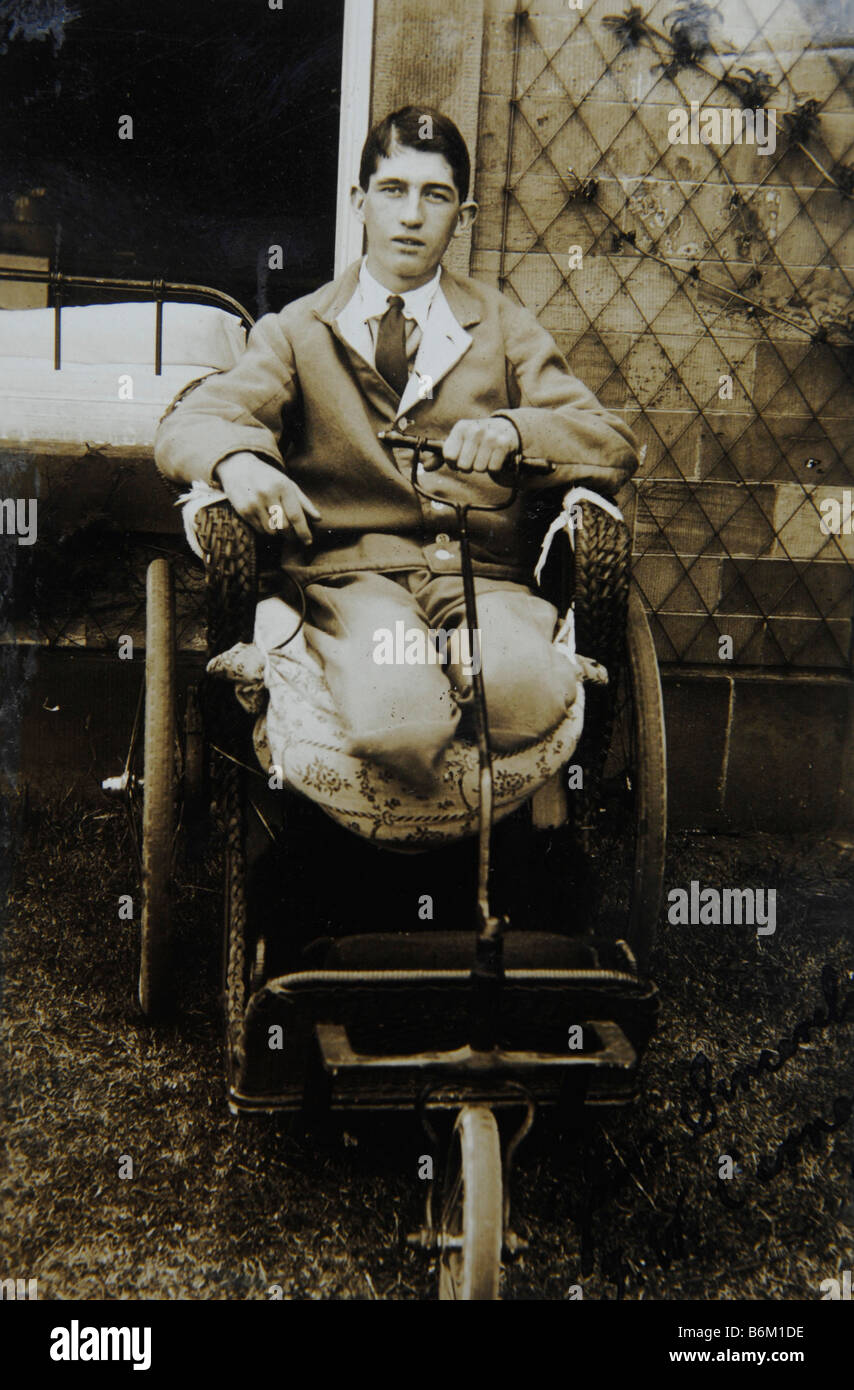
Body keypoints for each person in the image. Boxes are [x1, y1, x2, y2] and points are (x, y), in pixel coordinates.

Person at [155, 106, 638, 794]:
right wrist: (238, 461)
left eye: (435, 196)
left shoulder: (502, 327)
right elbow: (194, 419)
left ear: (462, 217)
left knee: (524, 694)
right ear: (360, 202)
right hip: (355, 583)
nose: (412, 215)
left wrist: (515, 432)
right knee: (400, 723)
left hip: (482, 577)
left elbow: (611, 441)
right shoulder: (298, 330)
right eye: (393, 191)